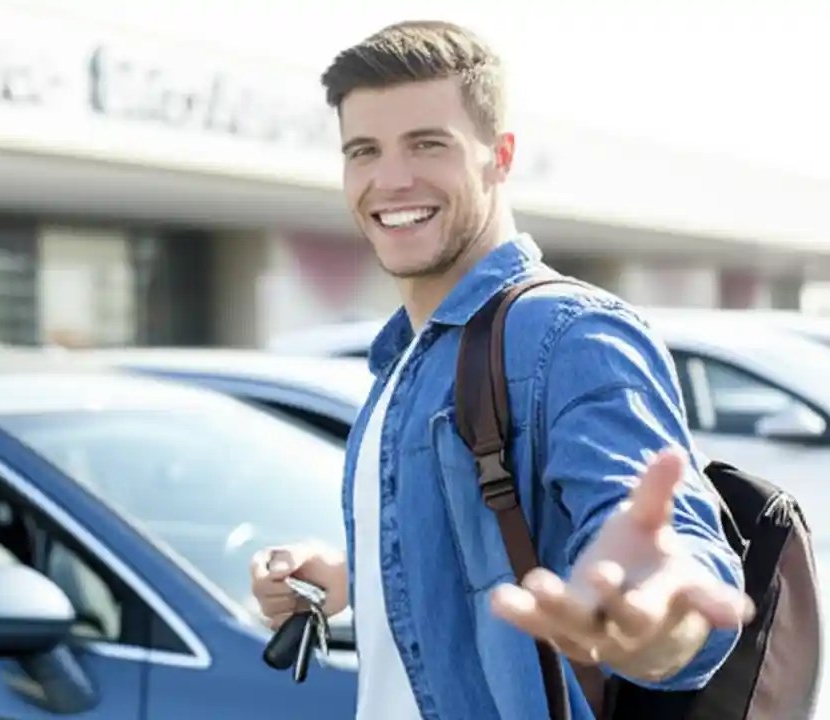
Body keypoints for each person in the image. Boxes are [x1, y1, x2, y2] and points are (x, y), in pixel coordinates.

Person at [249, 20, 755, 719]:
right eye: (363, 150)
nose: (391, 179)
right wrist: (348, 574)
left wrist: (655, 620)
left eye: (429, 144)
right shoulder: (407, 358)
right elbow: (471, 562)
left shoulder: (566, 335)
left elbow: (665, 554)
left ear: (501, 156)